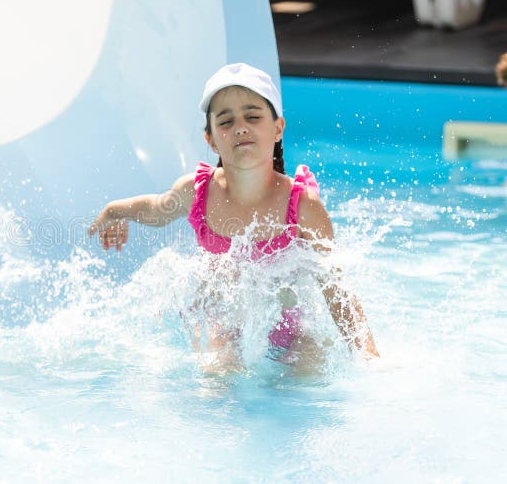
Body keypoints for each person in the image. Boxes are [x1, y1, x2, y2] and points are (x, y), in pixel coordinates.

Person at [88, 63, 379, 368]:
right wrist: (114, 212)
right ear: (211, 139)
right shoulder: (198, 192)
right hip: (222, 321)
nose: (241, 127)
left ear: (278, 128)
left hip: (290, 325)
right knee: (218, 371)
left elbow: (336, 289)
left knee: (311, 368)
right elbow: (157, 209)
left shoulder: (302, 206)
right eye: (226, 121)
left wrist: (369, 356)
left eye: (253, 117)